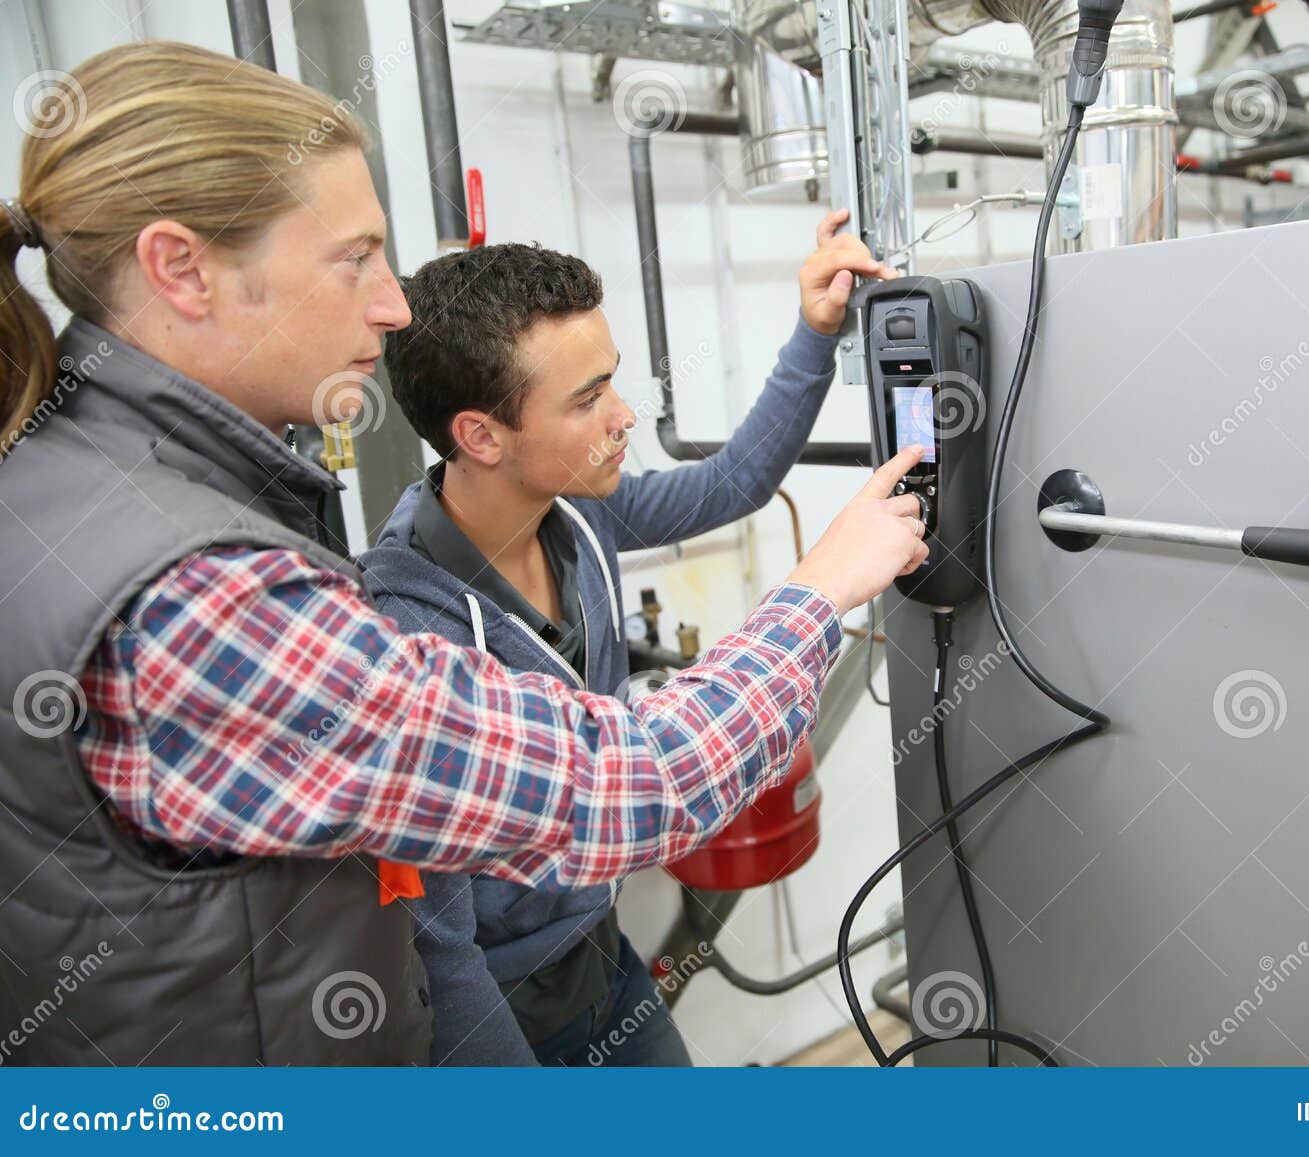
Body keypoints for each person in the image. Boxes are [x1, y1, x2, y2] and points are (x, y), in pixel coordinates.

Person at [0, 40, 928, 1065]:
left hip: (585, 954)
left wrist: (812, 338)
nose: (389, 303)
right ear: (180, 266)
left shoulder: (89, 488)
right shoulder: (195, 593)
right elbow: (623, 788)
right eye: (353, 258)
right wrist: (820, 588)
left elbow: (727, 483)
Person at [362, 223, 896, 1065]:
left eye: (611, 382)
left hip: (602, 961)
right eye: (587, 400)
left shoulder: (576, 509)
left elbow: (734, 482)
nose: (624, 417)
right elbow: (441, 945)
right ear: (481, 436)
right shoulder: (410, 630)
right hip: (494, 1011)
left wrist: (815, 331)